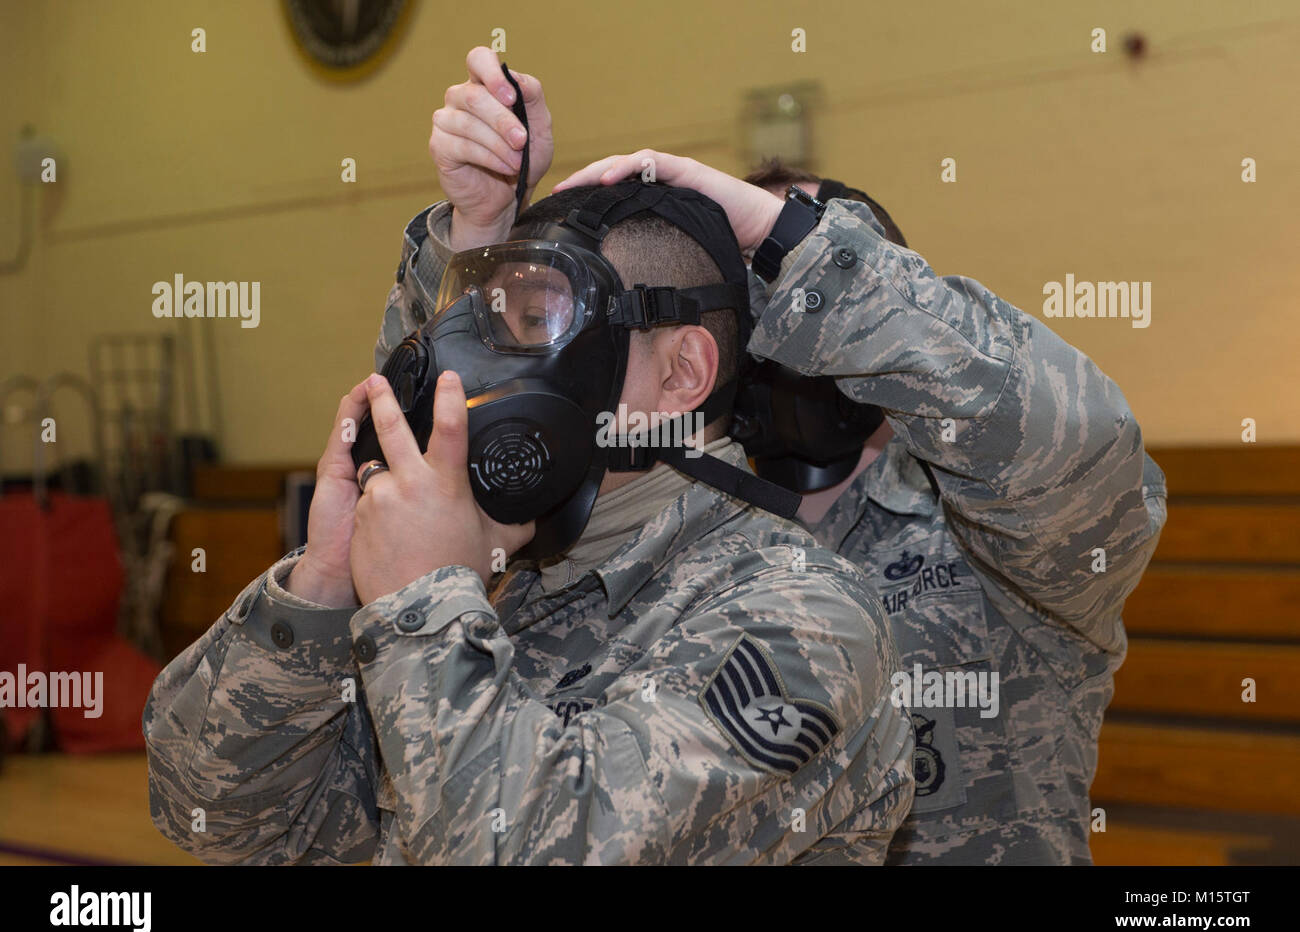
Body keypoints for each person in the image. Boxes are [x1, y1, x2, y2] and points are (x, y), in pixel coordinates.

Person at [143, 171, 915, 861]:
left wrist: (426, 599)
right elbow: (207, 812)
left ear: (682, 373)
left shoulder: (804, 617)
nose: (471, 359)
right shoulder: (492, 571)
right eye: (483, 317)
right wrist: (325, 583)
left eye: (534, 320)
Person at [556, 149, 1168, 865]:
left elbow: (1088, 447)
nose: (787, 310)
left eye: (802, 269)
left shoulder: (984, 528)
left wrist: (785, 234)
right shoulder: (650, 536)